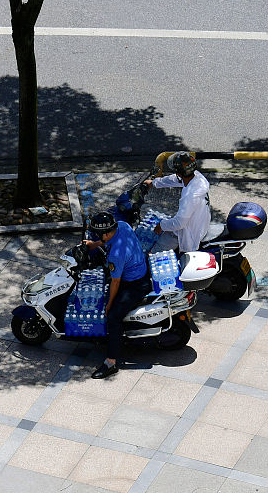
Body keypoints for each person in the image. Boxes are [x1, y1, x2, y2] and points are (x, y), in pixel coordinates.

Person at [84, 211, 150, 379]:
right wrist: (94, 244)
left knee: (113, 317)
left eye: (99, 234)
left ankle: (111, 362)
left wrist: (109, 304)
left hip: (134, 284)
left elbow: (116, 282)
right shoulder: (123, 225)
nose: (98, 236)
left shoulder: (116, 255)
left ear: (105, 233)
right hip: (141, 268)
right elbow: (111, 240)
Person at [142, 151, 212, 252]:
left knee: (154, 253)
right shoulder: (197, 177)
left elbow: (180, 223)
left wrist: (161, 225)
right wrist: (154, 183)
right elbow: (175, 179)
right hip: (200, 224)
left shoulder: (190, 196)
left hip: (188, 233)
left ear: (179, 173)